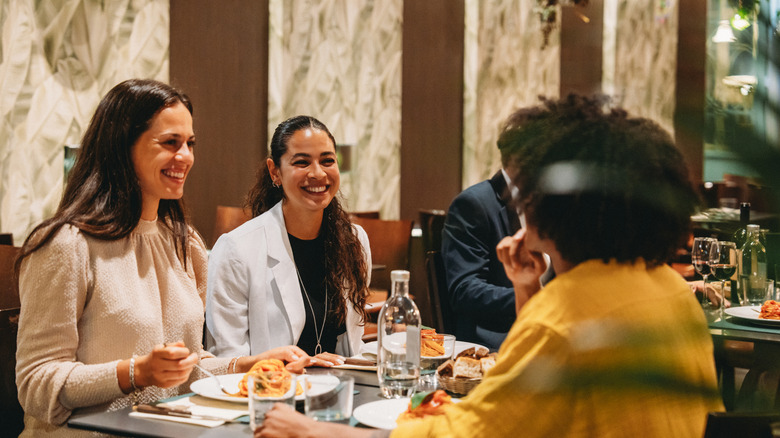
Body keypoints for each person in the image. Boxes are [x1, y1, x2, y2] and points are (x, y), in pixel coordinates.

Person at [253, 95, 723, 438]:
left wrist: (314, 431)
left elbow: (472, 433)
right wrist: (526, 289)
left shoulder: (564, 317)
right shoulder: (670, 291)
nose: (517, 198)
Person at [14, 79, 312, 437]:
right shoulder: (66, 245)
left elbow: (188, 365)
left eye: (190, 143)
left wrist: (248, 365)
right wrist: (134, 373)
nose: (185, 156)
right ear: (122, 146)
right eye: (170, 143)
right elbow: (35, 384)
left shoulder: (185, 243)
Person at [206, 115, 371, 362]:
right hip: (271, 394)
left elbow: (351, 346)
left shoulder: (354, 240)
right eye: (302, 162)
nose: (317, 173)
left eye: (327, 161)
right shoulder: (237, 249)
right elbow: (226, 361)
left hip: (341, 389)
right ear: (275, 172)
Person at [441, 106, 553, 350]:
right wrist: (536, 297)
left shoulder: (551, 204)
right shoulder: (474, 204)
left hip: (550, 328)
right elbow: (465, 290)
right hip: (496, 339)